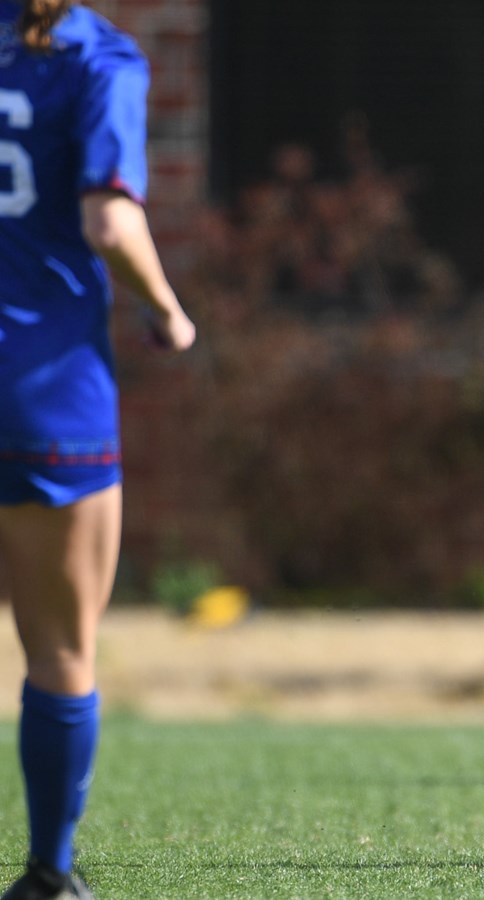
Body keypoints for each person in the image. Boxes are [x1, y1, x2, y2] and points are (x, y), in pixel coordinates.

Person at [1, 2, 197, 897]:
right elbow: (109, 223)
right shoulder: (94, 56)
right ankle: (49, 874)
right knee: (60, 651)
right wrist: (167, 310)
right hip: (43, 388)